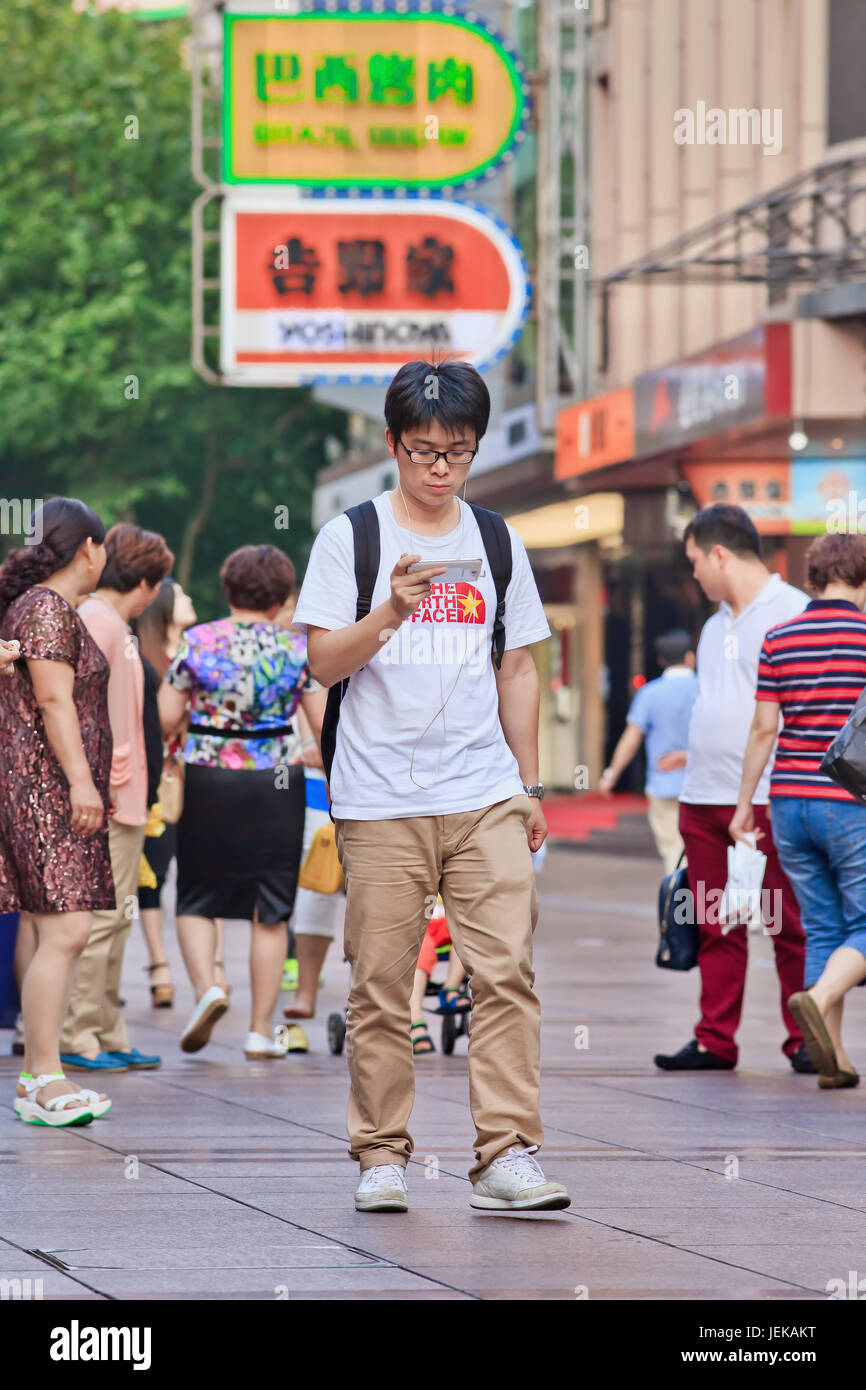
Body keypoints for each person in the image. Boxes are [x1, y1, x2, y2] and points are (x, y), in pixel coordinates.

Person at [293, 356, 570, 1214]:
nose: (440, 467)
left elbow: (517, 667)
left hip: (484, 791)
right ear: (392, 445)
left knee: (506, 974)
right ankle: (381, 1155)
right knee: (380, 983)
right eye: (423, 451)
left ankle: (506, 1155)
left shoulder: (496, 541)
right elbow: (321, 662)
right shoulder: (352, 538)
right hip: (379, 799)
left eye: (457, 450)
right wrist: (389, 613)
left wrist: (528, 785)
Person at [654, 503, 811, 1074]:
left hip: (771, 795)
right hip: (702, 797)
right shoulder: (714, 623)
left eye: (695, 560)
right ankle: (716, 1040)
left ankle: (803, 1040)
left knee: (787, 921)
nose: (693, 574)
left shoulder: (795, 613)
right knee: (716, 921)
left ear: (720, 553)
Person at [158, 544, 326, 1061]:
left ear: (229, 591)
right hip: (277, 779)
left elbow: (165, 717)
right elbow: (322, 727)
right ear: (280, 600)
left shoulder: (198, 642)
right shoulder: (299, 651)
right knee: (271, 907)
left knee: (195, 894)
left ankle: (208, 984)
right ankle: (259, 1031)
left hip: (209, 775)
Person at [730, 532, 866, 1089]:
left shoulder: (779, 637)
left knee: (823, 928)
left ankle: (834, 1061)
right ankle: (819, 995)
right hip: (850, 801)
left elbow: (764, 729)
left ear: (814, 577)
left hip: (787, 801)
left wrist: (744, 807)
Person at [0, 497, 112, 1125]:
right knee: (67, 929)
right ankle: (43, 1075)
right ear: (89, 549)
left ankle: (39, 1076)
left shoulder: (36, 606)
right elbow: (53, 699)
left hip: (39, 786)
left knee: (50, 928)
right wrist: (81, 784)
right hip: (47, 789)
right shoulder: (47, 607)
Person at [60, 523, 174, 1075]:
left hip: (122, 795)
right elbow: (89, 716)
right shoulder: (101, 624)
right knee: (105, 918)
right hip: (112, 797)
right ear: (148, 583)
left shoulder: (107, 623)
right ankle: (79, 1032)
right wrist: (105, 785)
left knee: (116, 917)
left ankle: (106, 1028)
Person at [133, 578, 202, 1007]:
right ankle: (159, 963)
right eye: (182, 595)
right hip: (158, 775)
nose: (191, 599)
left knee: (195, 870)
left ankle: (205, 972)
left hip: (200, 774)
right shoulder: (144, 657)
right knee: (152, 873)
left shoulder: (200, 650)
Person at [599, 629, 697, 873]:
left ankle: (681, 906)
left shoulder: (649, 693)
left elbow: (631, 739)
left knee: (673, 851)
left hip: (662, 785)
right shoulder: (706, 688)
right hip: (701, 783)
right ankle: (701, 904)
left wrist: (611, 775)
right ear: (690, 657)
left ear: (661, 660)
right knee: (701, 851)